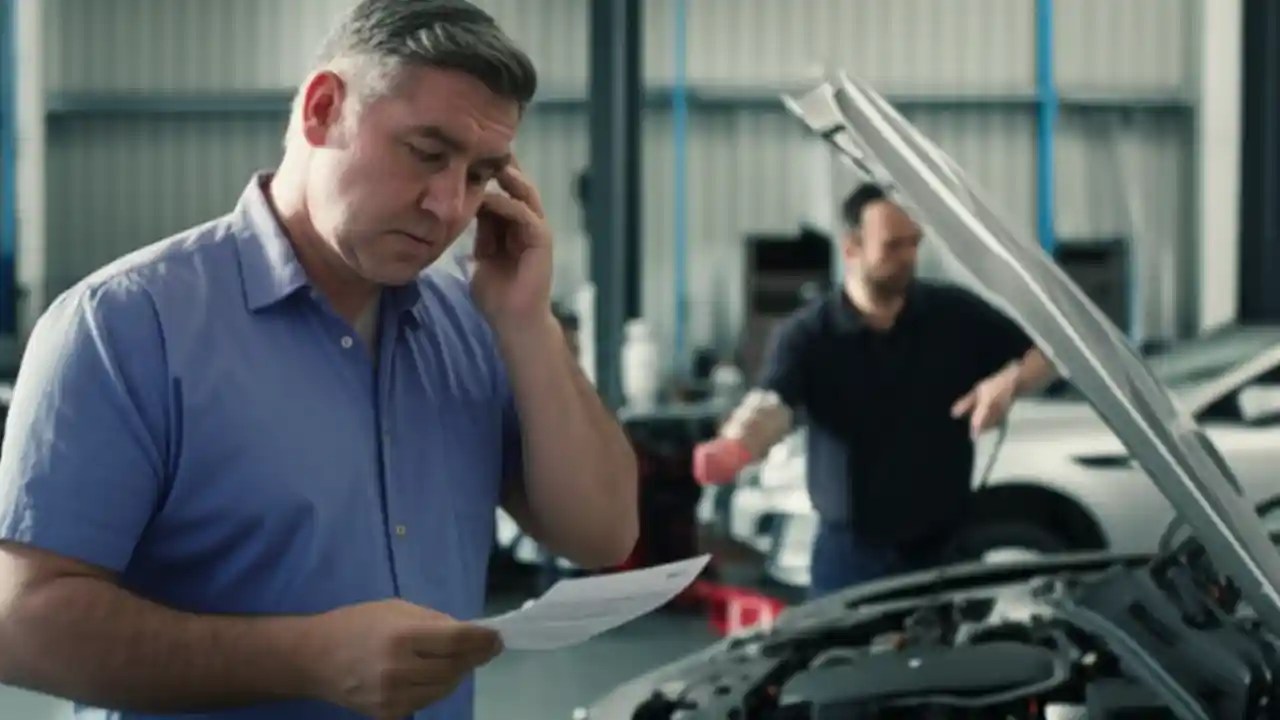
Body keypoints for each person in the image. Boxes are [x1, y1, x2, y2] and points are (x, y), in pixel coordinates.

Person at [0, 2, 639, 719]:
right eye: (426, 153)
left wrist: (528, 323)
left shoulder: (474, 324)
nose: (448, 205)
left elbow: (601, 534)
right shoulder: (126, 326)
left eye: (480, 175)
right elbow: (19, 626)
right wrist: (304, 660)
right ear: (323, 109)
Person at [693, 183, 1055, 599]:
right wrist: (736, 446)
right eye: (892, 246)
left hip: (942, 552)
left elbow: (1050, 352)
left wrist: (1009, 382)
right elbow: (773, 405)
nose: (909, 257)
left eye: (913, 243)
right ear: (851, 248)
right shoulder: (809, 335)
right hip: (849, 559)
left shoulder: (954, 314)